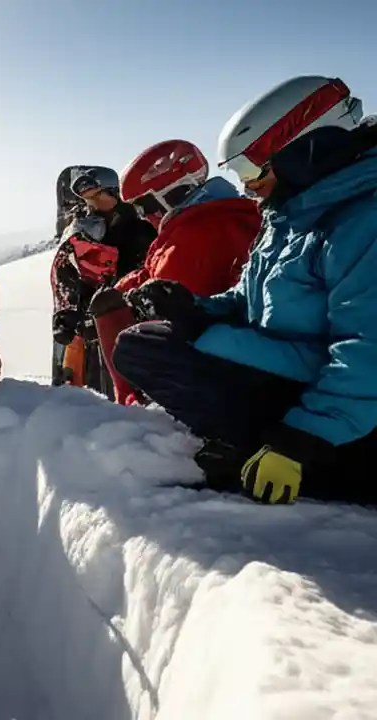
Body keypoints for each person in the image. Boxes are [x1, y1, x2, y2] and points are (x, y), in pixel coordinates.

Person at [114, 75, 377, 506]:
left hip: (343, 405)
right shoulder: (290, 213)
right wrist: (196, 310)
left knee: (149, 348)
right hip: (289, 364)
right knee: (149, 343)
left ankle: (308, 465)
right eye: (239, 172)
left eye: (254, 169)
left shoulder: (361, 220)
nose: (247, 184)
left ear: (308, 148)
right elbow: (251, 298)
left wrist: (302, 439)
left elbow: (367, 350)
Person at [88, 140, 261, 404]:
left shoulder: (193, 236)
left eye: (145, 205)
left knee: (108, 308)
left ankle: (135, 402)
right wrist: (126, 286)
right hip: (238, 347)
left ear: (171, 195)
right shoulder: (223, 215)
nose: (144, 216)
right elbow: (152, 269)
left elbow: (170, 292)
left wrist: (116, 301)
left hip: (213, 367)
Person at [50, 167, 156, 396]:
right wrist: (71, 310)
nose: (93, 204)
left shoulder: (141, 230)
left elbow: (143, 277)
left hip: (129, 327)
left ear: (115, 192)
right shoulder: (88, 230)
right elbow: (81, 275)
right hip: (95, 331)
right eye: (88, 199)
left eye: (99, 196)